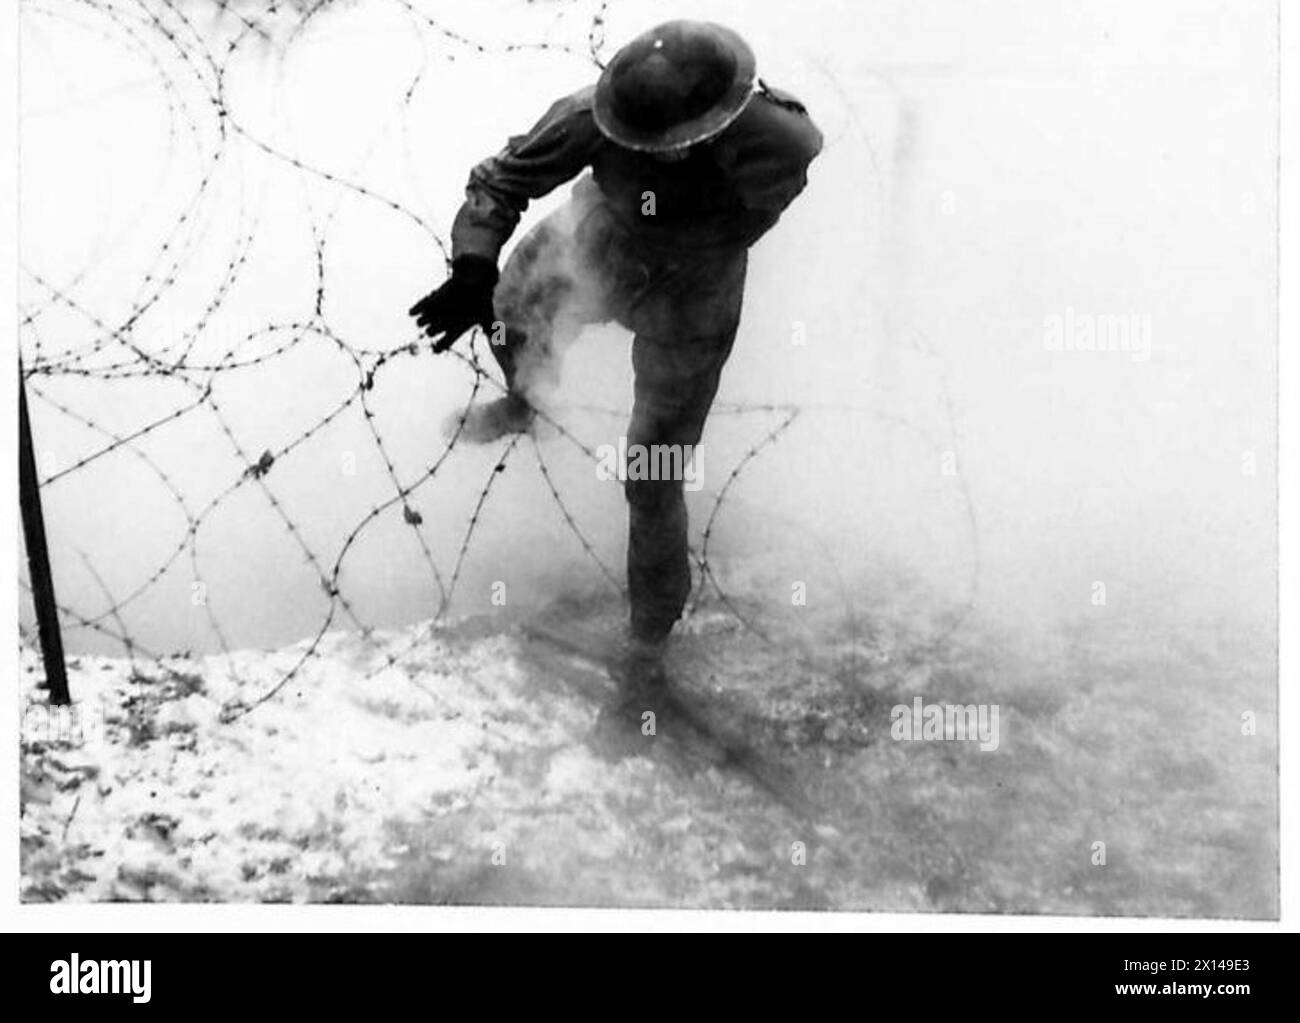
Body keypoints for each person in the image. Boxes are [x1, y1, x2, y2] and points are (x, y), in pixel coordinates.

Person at [410, 19, 822, 687]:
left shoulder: (782, 139)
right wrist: (472, 267)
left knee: (654, 469)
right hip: (598, 241)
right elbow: (500, 181)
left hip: (695, 296)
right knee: (511, 309)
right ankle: (524, 402)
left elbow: (770, 202)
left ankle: (649, 637)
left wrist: (701, 233)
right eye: (643, 142)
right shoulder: (590, 115)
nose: (655, 152)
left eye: (673, 144)